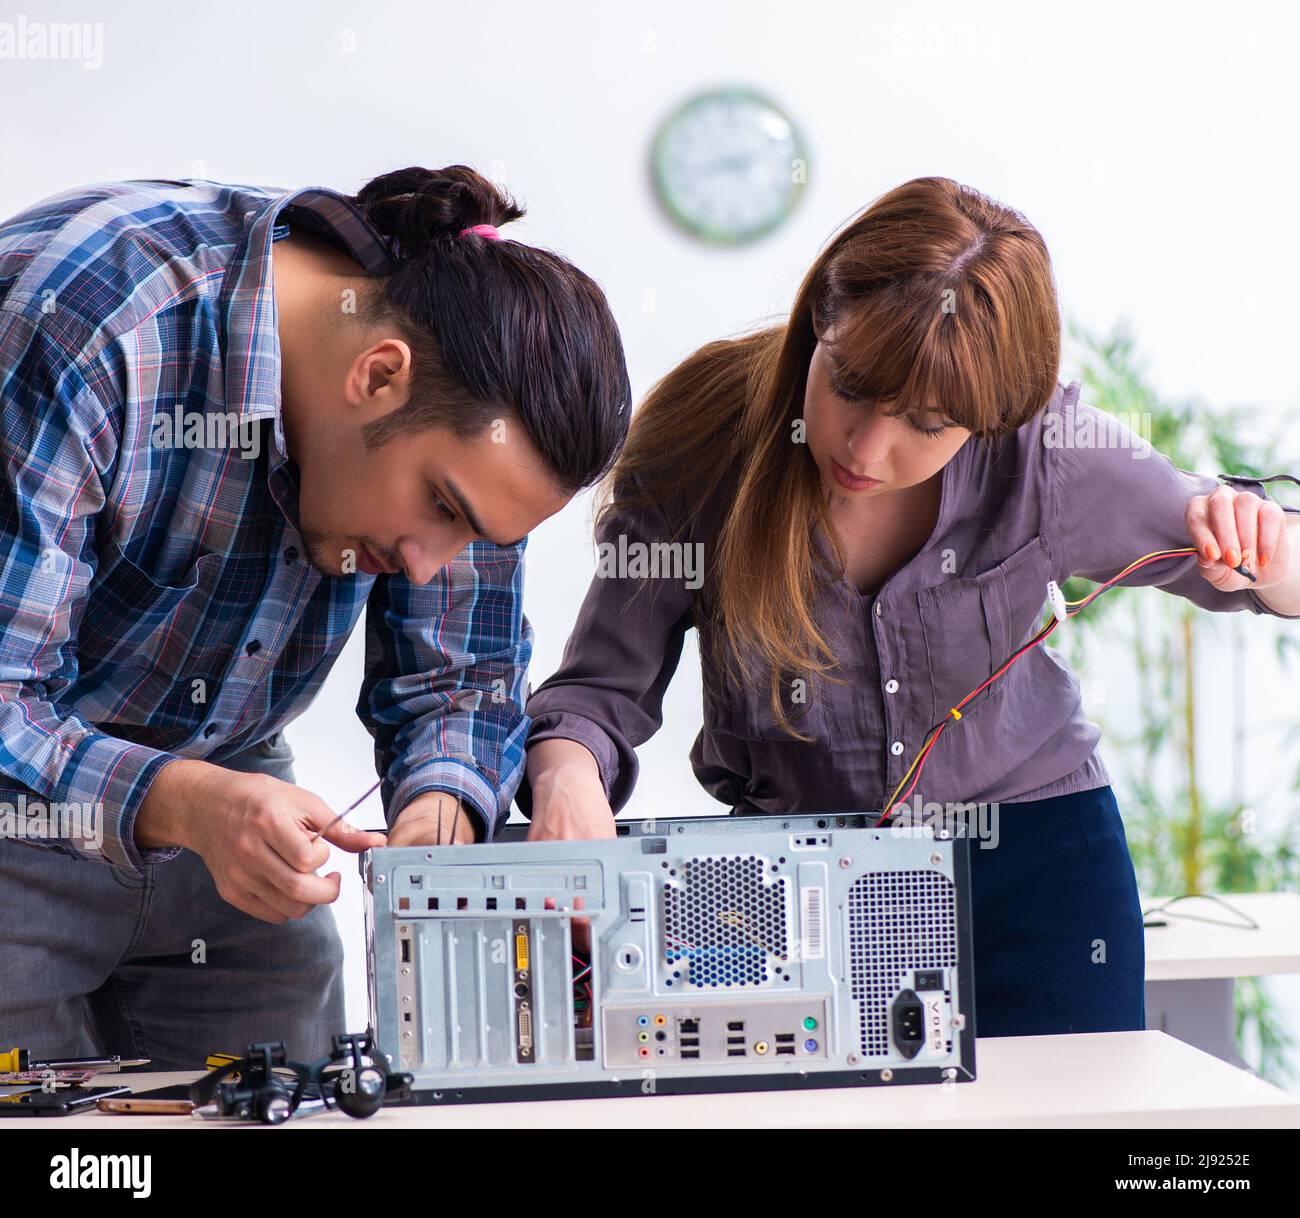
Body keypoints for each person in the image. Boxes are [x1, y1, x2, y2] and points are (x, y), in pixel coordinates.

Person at [519, 176, 1299, 1037]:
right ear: (821, 312)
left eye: (927, 424)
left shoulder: (1045, 453)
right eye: (850, 385)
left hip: (1038, 873)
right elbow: (595, 696)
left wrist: (1263, 545)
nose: (865, 447)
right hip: (790, 892)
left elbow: (1274, 576)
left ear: (990, 416)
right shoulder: (703, 451)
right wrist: (564, 777)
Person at [0, 165, 630, 1065]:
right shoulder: (93, 323)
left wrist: (439, 805)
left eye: (480, 535)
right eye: (444, 510)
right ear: (379, 375)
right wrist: (184, 803)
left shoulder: (474, 423)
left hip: (228, 775)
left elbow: (458, 681)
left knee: (291, 1085)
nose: (429, 564)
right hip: (17, 803)